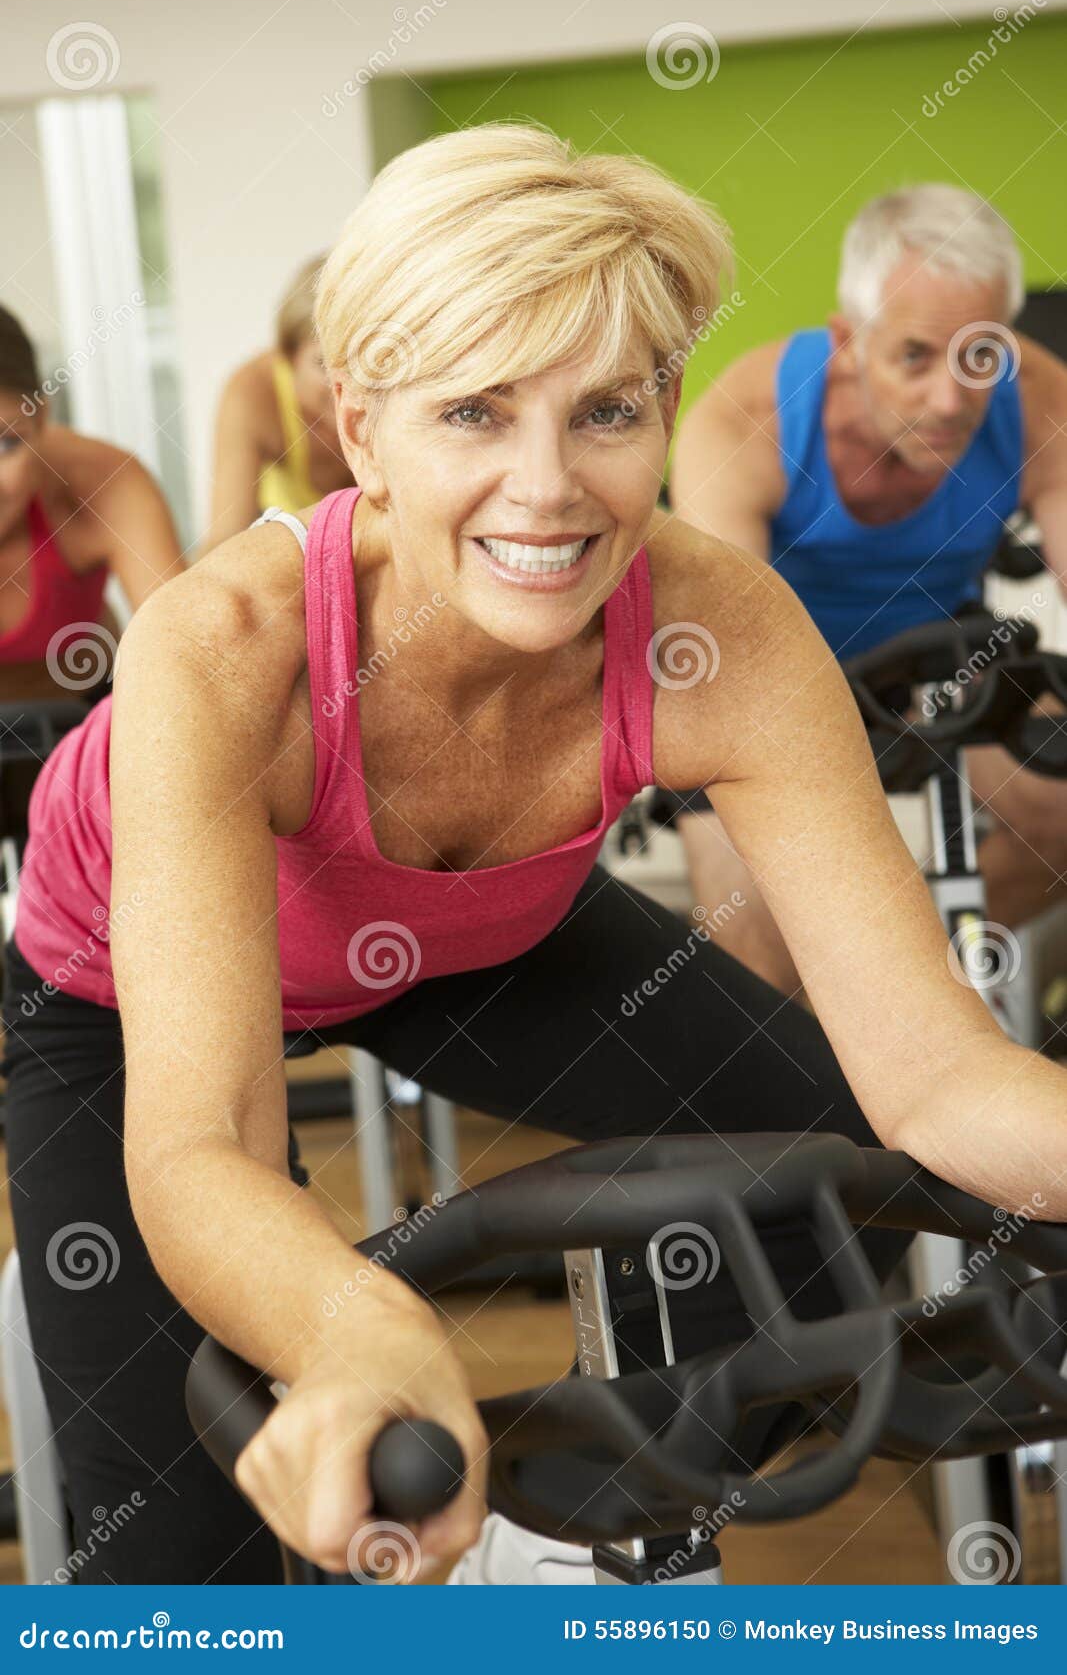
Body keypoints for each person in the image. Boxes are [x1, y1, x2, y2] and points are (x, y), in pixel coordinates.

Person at [3, 124, 1066, 1590]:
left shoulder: (716, 631)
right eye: (473, 413)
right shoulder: (226, 647)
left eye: (605, 411)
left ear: (663, 408)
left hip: (476, 932)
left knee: (807, 1160)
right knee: (184, 1567)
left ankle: (591, 1537)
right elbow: (209, 1145)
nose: (546, 488)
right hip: (118, 998)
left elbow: (936, 1079)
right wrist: (364, 1330)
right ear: (361, 429)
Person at [662, 186, 1067, 994]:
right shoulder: (745, 421)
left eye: (980, 356)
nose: (949, 401)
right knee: (758, 951)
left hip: (940, 651)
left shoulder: (1038, 401)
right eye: (914, 356)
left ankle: (907, 991)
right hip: (760, 677)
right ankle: (837, 1001)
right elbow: (731, 651)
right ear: (849, 341)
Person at [0, 305, 184, 702]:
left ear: (41, 418)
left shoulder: (100, 480)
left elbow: (188, 649)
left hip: (91, 709)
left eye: (6, 444)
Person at [202, 254, 351, 553]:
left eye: (359, 361)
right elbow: (223, 544)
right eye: (323, 364)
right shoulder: (251, 395)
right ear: (288, 357)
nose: (347, 384)